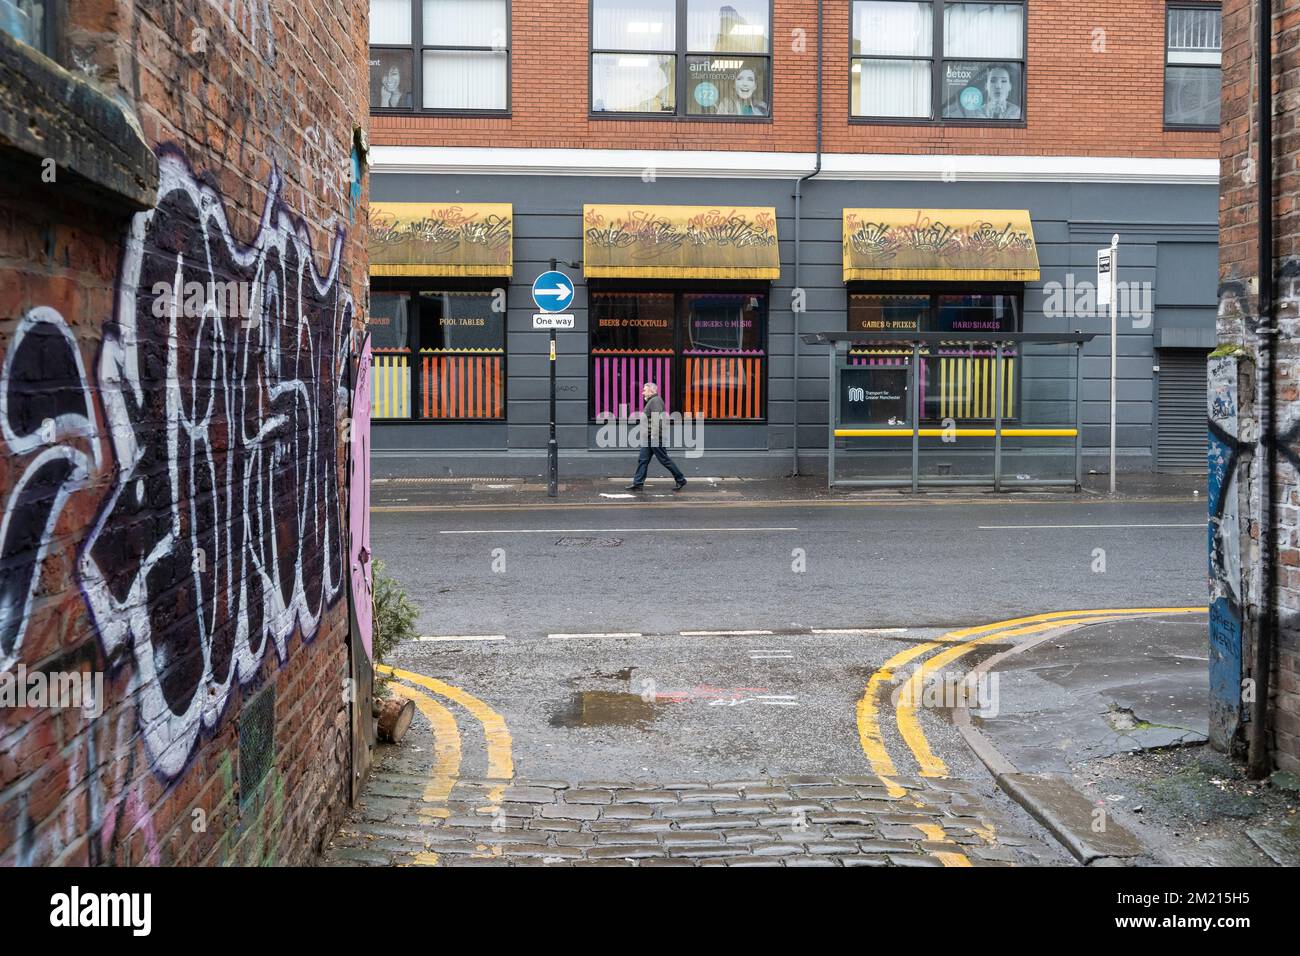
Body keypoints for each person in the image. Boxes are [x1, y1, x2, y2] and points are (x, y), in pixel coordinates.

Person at [626, 382, 687, 492]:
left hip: (655, 437)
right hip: (649, 438)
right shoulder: (652, 401)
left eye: (645, 390)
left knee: (664, 460)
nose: (642, 392)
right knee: (643, 460)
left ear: (652, 391)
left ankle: (680, 479)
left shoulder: (655, 401)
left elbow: (656, 419)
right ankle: (638, 483)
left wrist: (654, 436)